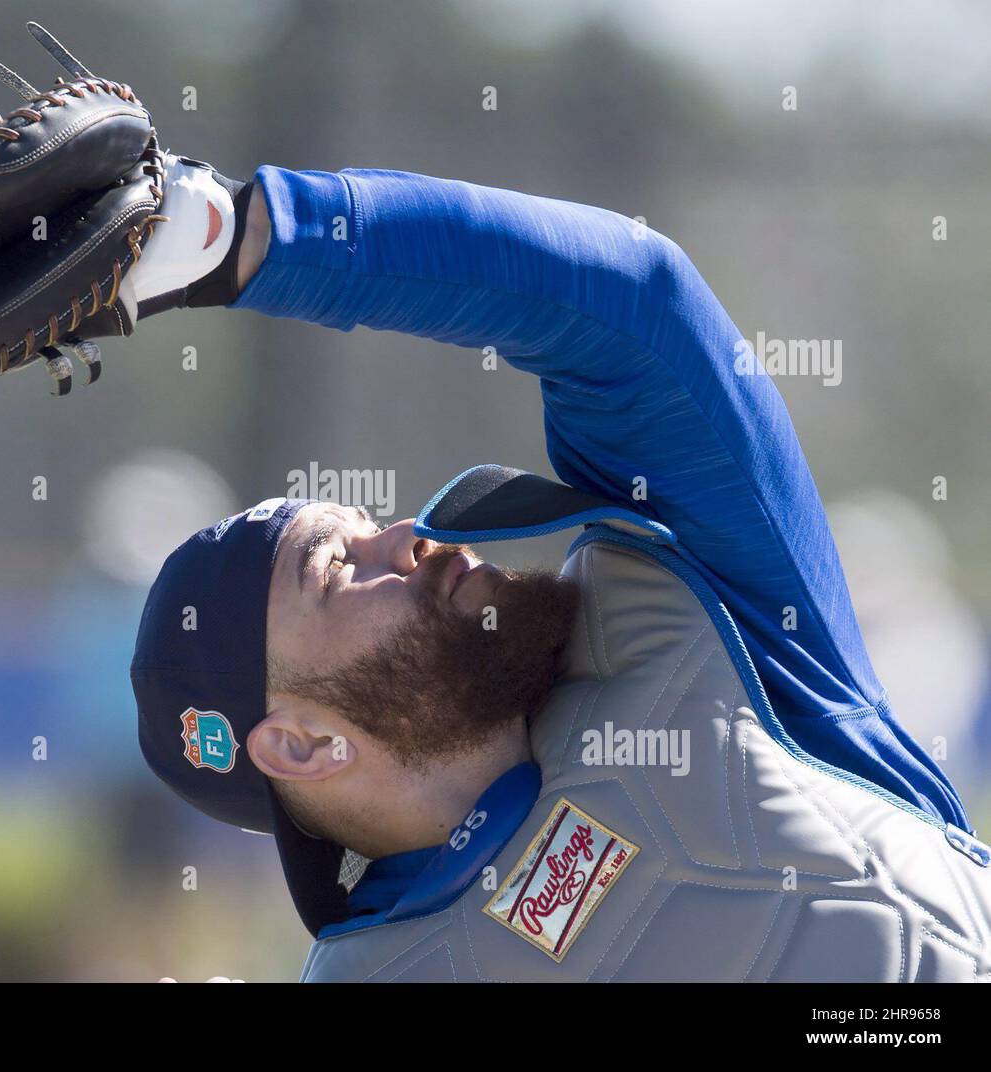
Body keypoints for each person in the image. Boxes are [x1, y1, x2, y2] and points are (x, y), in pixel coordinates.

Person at [127, 151, 991, 981]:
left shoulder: (686, 591)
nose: (406, 536)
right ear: (303, 744)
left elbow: (635, 304)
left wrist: (243, 237)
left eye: (365, 524)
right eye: (335, 567)